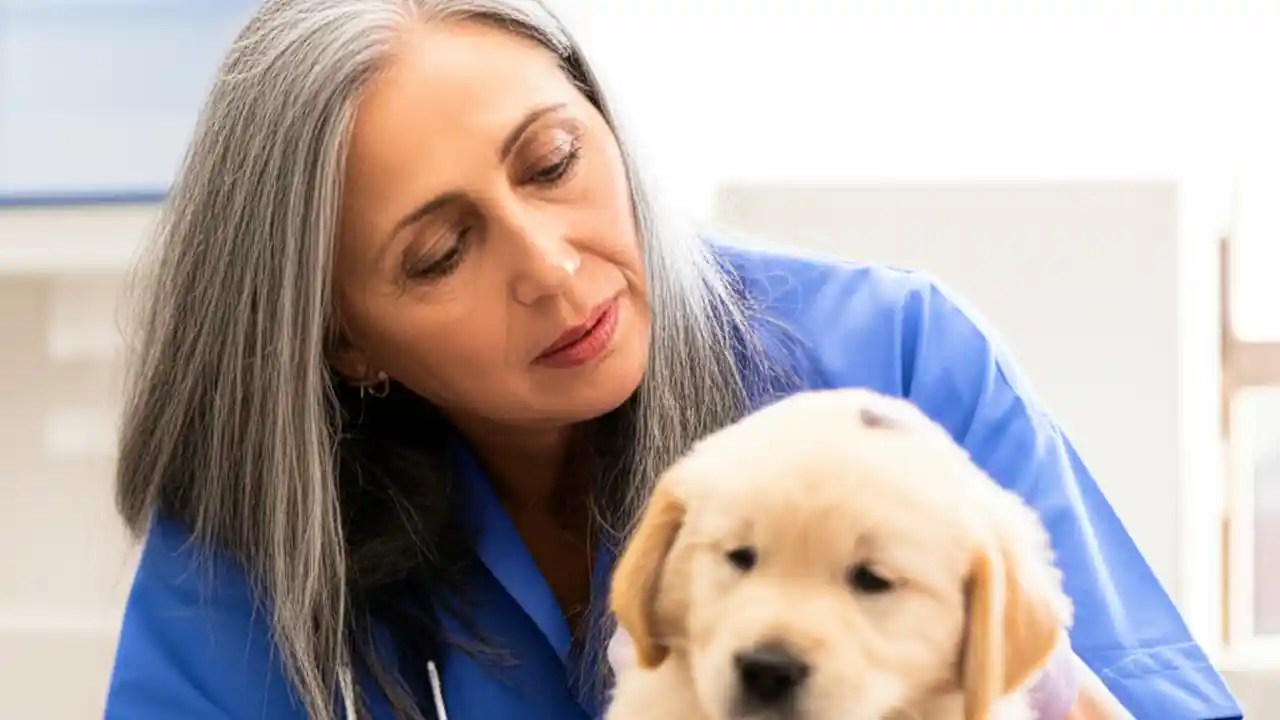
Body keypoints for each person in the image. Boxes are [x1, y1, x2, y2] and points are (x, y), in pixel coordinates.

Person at [104, 1, 1241, 718]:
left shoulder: (889, 361)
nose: (549, 267)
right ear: (341, 339)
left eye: (551, 162)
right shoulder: (262, 500)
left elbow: (1128, 694)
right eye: (440, 252)